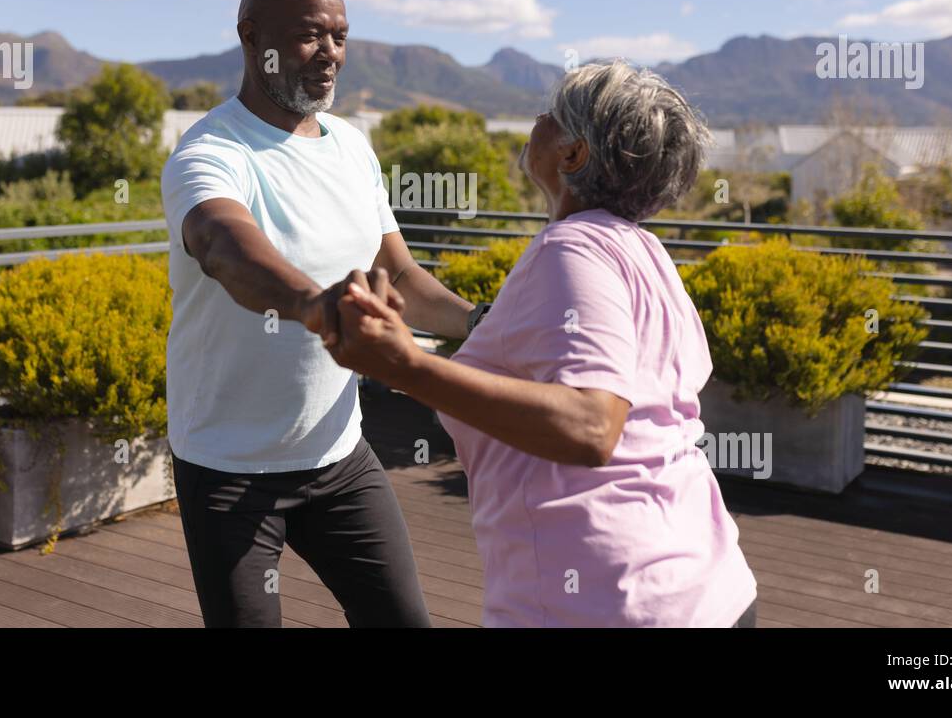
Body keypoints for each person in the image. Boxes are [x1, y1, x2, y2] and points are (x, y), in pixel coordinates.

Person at [325, 59, 760, 627]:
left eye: (553, 114)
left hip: (607, 603)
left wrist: (404, 365)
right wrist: (481, 326)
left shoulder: (571, 250)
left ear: (573, 155)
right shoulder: (642, 250)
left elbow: (592, 425)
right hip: (709, 587)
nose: (537, 117)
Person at [160, 0, 479, 627]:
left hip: (339, 456)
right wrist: (317, 305)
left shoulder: (352, 147)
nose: (330, 54)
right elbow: (226, 248)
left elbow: (402, 276)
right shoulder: (210, 152)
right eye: (310, 35)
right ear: (251, 37)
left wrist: (484, 325)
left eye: (339, 36)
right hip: (229, 471)